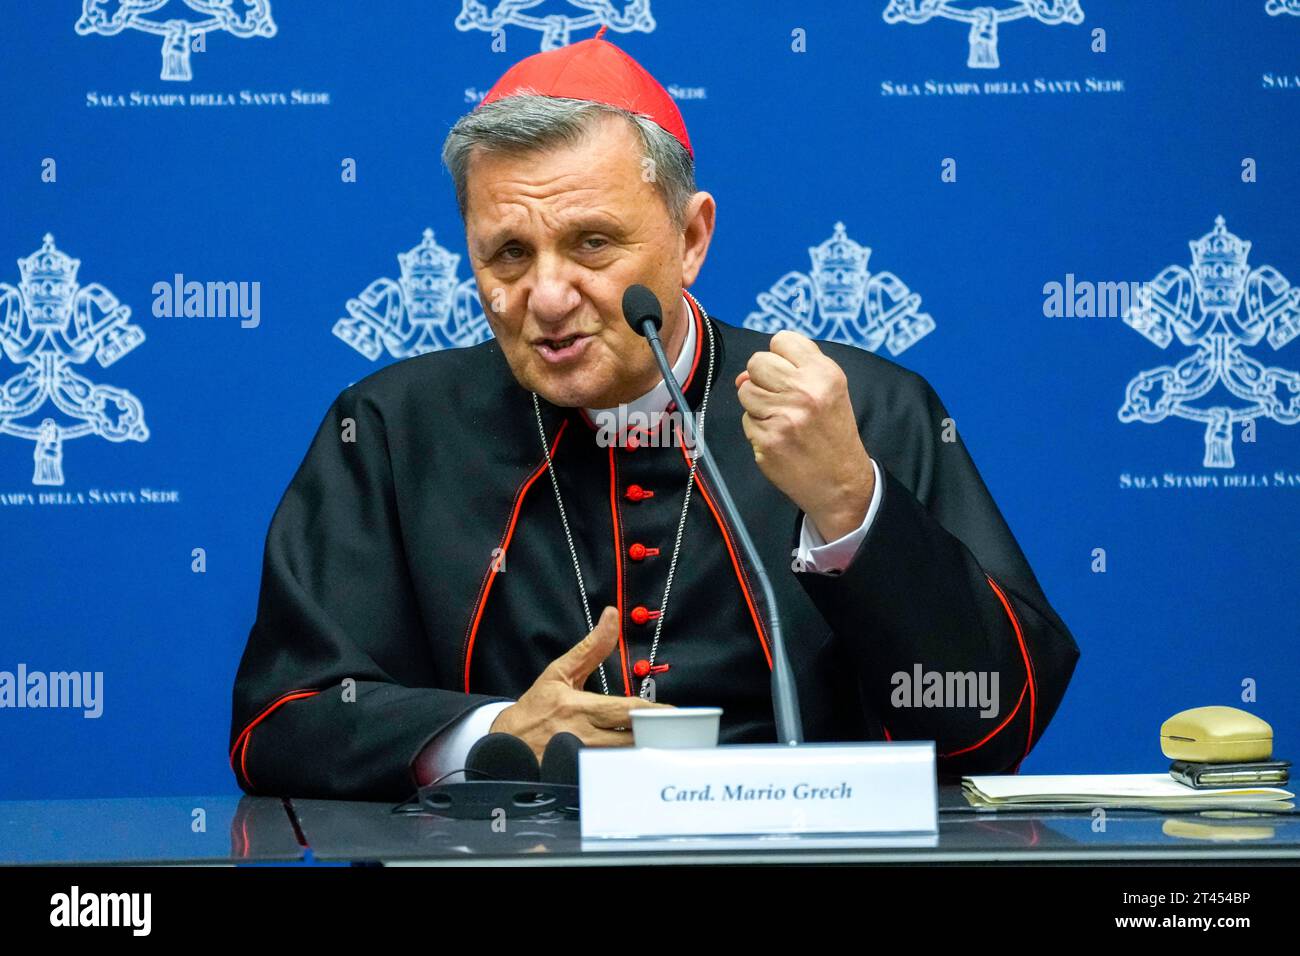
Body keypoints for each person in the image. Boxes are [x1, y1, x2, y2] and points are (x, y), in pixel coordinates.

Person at [230, 29, 1079, 800]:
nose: (549, 297)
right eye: (510, 254)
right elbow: (282, 721)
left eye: (593, 244)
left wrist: (852, 506)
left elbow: (994, 724)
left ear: (692, 237)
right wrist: (494, 735)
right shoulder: (388, 429)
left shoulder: (859, 410)